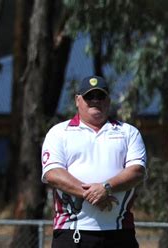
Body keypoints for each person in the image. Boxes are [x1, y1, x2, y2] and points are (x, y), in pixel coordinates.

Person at [41, 75, 147, 248]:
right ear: (77, 100)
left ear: (108, 100)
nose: (95, 101)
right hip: (72, 232)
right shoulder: (59, 132)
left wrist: (106, 188)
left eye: (100, 96)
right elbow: (53, 174)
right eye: (89, 96)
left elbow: (137, 171)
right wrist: (93, 194)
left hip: (119, 232)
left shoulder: (128, 132)